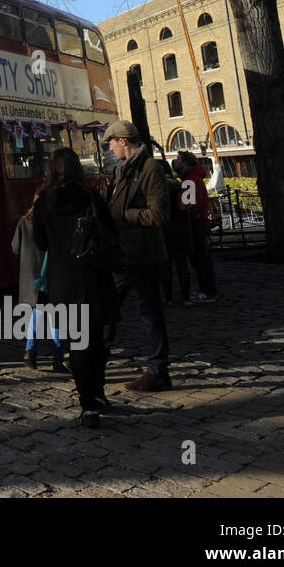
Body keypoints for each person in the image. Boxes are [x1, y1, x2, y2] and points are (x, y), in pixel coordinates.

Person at [32, 147, 120, 427]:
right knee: (97, 342)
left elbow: (40, 241)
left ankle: (88, 404)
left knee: (78, 344)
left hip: (63, 282)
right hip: (93, 276)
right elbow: (111, 232)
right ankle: (97, 392)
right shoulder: (90, 196)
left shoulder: (44, 200)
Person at [102, 120, 172, 392]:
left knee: (150, 313)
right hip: (122, 254)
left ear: (123, 141)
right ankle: (98, 357)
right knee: (107, 306)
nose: (109, 148)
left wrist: (123, 215)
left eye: (111, 142)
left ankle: (158, 371)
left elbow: (159, 215)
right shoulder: (120, 171)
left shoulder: (150, 168)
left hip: (144, 255)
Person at [11, 190, 66, 371]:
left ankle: (29, 351)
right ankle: (58, 360)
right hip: (49, 277)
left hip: (29, 278)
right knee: (57, 318)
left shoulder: (24, 221)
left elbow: (15, 248)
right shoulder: (54, 222)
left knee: (37, 314)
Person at [174, 150, 218, 303]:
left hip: (196, 226)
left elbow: (189, 208)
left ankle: (207, 291)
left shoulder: (189, 181)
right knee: (201, 259)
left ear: (185, 163)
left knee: (200, 260)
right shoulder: (193, 179)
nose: (176, 162)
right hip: (200, 224)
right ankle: (207, 289)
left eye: (179, 159)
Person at [160, 159, 193, 307]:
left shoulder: (157, 188)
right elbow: (185, 207)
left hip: (164, 229)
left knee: (166, 267)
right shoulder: (179, 186)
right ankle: (186, 298)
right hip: (179, 228)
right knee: (182, 266)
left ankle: (169, 299)